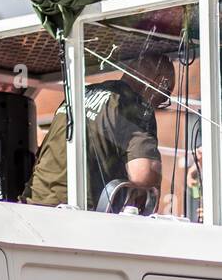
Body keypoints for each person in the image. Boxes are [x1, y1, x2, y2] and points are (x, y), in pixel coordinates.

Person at [23, 52, 172, 210]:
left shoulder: (79, 94)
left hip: (31, 205)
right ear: (157, 84)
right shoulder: (137, 106)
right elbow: (143, 176)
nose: (160, 104)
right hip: (74, 215)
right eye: (165, 96)